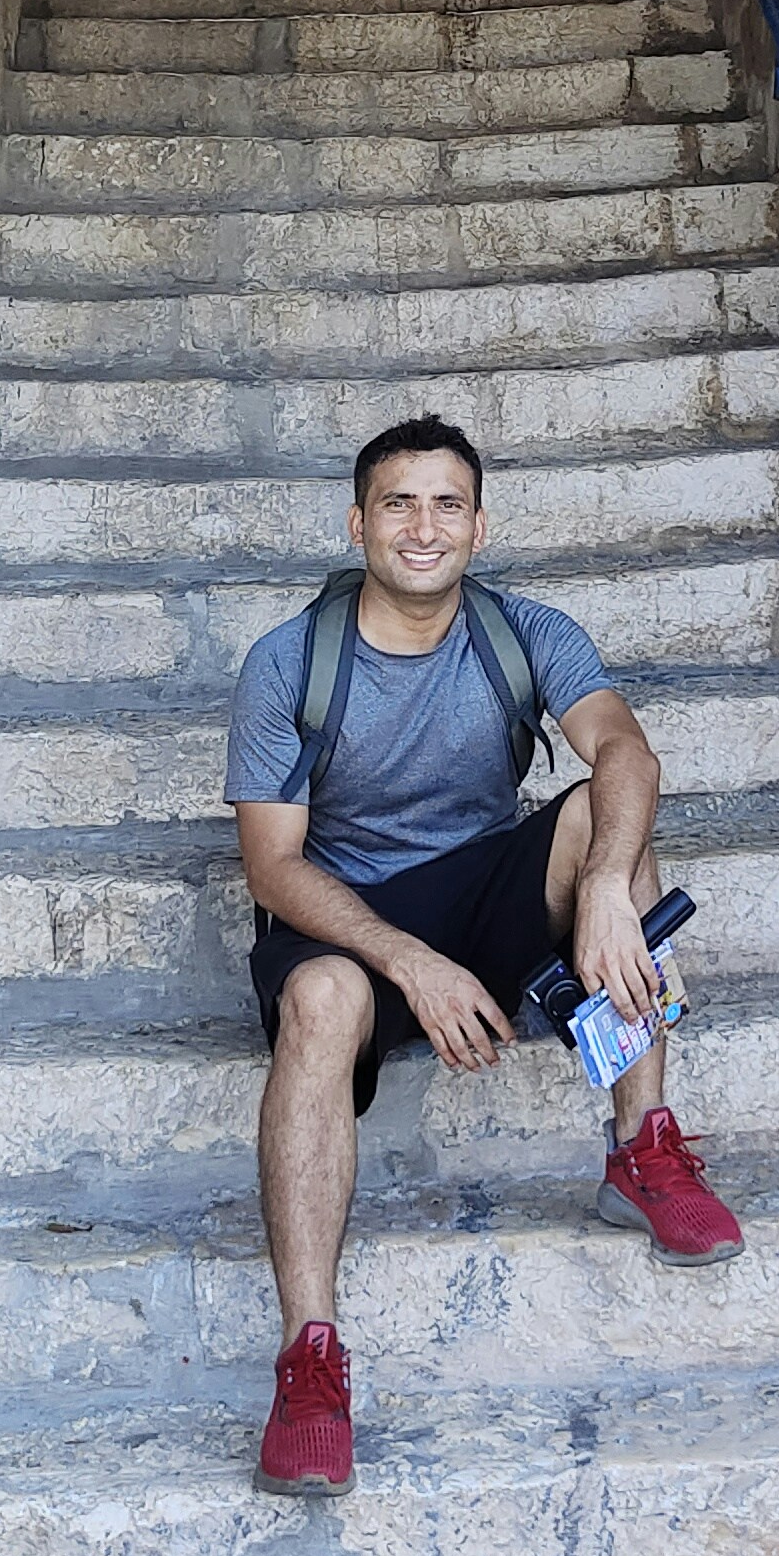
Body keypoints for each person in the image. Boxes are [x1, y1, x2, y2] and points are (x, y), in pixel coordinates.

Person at [223, 411, 743, 1495]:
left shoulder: (523, 632)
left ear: (479, 522)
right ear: (359, 521)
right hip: (347, 919)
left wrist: (602, 885)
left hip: (484, 890)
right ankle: (310, 1360)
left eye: (446, 503)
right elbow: (272, 867)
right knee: (321, 998)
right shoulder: (290, 662)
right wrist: (408, 960)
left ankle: (642, 1143)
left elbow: (625, 752)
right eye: (399, 503)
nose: (424, 526)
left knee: (617, 823)